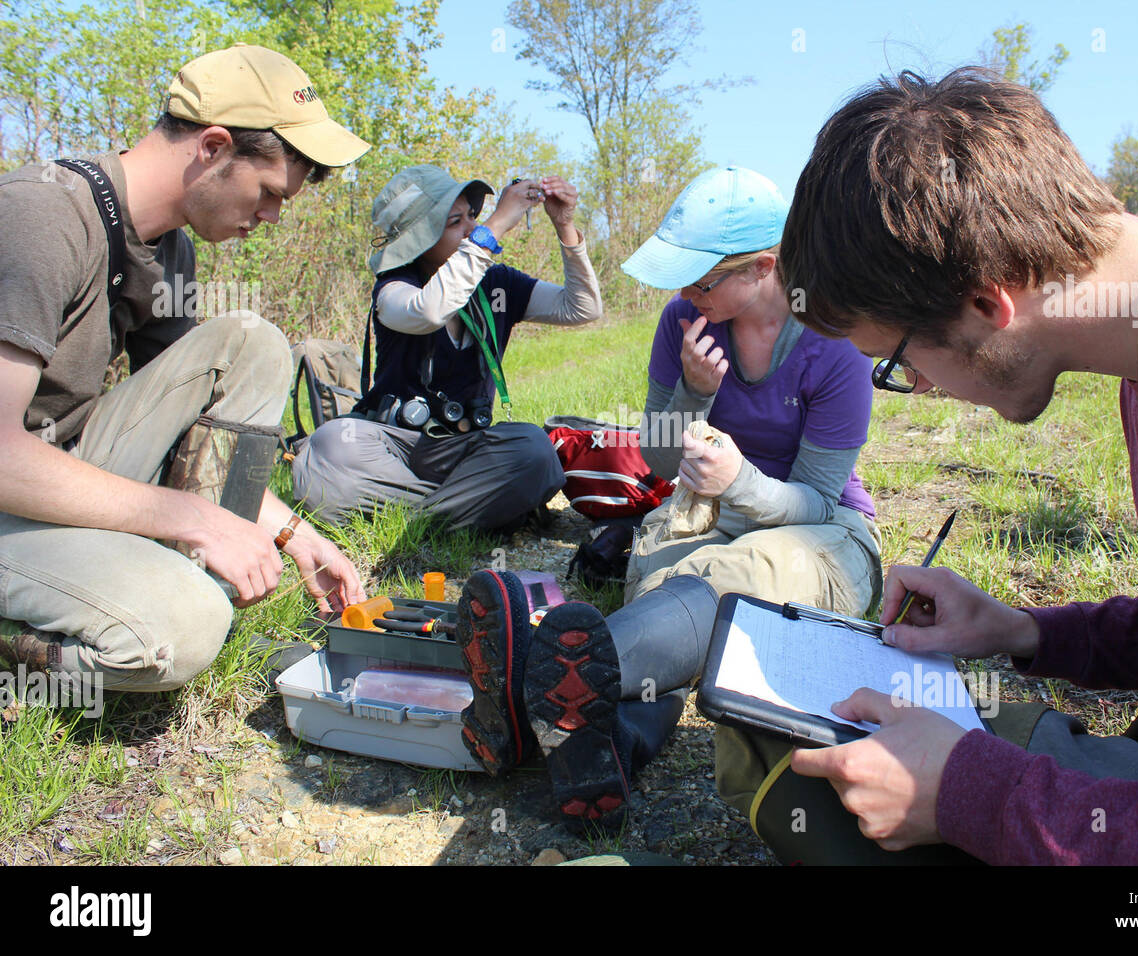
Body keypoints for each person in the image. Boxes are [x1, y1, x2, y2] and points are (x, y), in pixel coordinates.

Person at [717, 67, 1138, 865]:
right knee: (784, 744)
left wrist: (970, 796)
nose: (916, 389)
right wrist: (1019, 630)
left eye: (896, 363)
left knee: (830, 797)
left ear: (989, 306)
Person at [452, 166, 881, 828]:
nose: (685, 292)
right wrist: (694, 393)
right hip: (702, 511)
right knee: (668, 628)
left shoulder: (836, 346)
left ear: (764, 267)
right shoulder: (685, 319)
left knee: (744, 577)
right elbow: (654, 458)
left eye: (703, 279)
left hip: (820, 530)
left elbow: (818, 503)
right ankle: (609, 747)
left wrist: (740, 483)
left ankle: (524, 682)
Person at [0, 44, 368, 692]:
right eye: (270, 193)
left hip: (65, 469)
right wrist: (195, 520)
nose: (273, 217)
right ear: (214, 147)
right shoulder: (43, 217)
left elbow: (199, 443)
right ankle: (27, 647)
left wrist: (297, 535)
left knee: (254, 342)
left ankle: (166, 578)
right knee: (188, 626)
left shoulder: (171, 255)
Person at [290, 165, 602, 532]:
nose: (472, 228)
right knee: (328, 446)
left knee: (534, 449)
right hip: (394, 447)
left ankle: (411, 520)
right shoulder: (394, 288)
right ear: (419, 238)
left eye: (473, 216)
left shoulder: (498, 284)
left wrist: (565, 227)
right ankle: (464, 511)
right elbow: (430, 310)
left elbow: (582, 307)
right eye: (455, 222)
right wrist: (497, 225)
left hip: (464, 449)